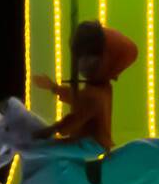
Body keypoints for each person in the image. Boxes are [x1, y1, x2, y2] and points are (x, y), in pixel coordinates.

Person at [30, 20, 138, 157]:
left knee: (41, 149)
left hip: (90, 145)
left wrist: (51, 130)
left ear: (105, 60)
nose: (81, 63)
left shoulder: (96, 94)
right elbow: (80, 99)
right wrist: (54, 88)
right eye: (80, 57)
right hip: (86, 141)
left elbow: (76, 117)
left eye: (90, 57)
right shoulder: (100, 87)